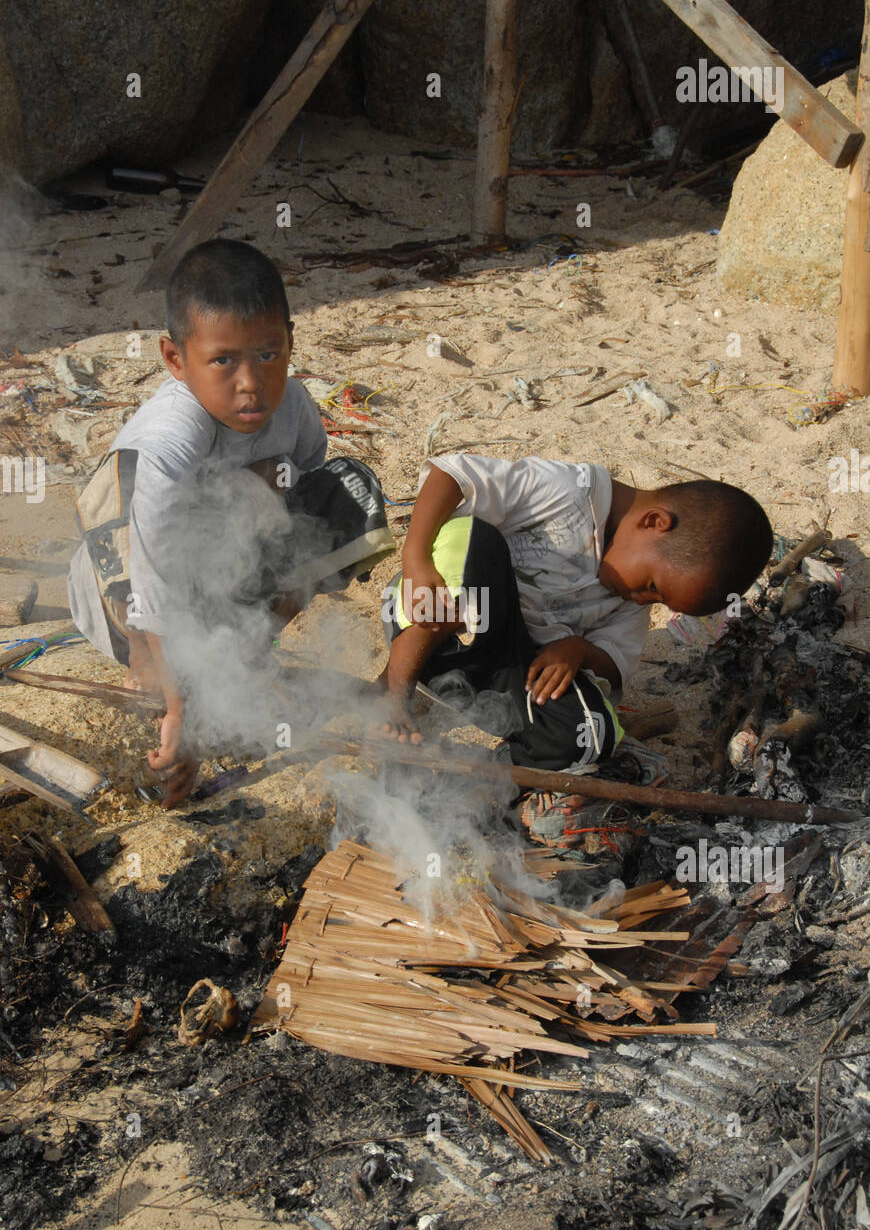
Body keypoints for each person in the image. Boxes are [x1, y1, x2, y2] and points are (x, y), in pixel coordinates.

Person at [68, 238, 395, 806]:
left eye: (267, 355)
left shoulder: (292, 404)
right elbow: (152, 576)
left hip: (222, 573)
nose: (250, 382)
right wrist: (180, 711)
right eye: (223, 360)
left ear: (290, 342)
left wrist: (266, 482)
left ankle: (244, 654)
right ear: (176, 359)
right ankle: (146, 660)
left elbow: (305, 515)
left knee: (346, 494)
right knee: (128, 493)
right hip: (131, 589)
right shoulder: (168, 439)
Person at [379, 453, 773, 781]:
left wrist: (580, 650)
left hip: (500, 679)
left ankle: (485, 778)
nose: (642, 599)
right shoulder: (569, 492)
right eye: (652, 585)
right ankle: (395, 691)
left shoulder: (630, 602)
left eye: (658, 600)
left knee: (591, 735)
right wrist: (414, 559)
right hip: (432, 621)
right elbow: (455, 474)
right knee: (473, 541)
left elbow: (615, 667)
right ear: (654, 522)